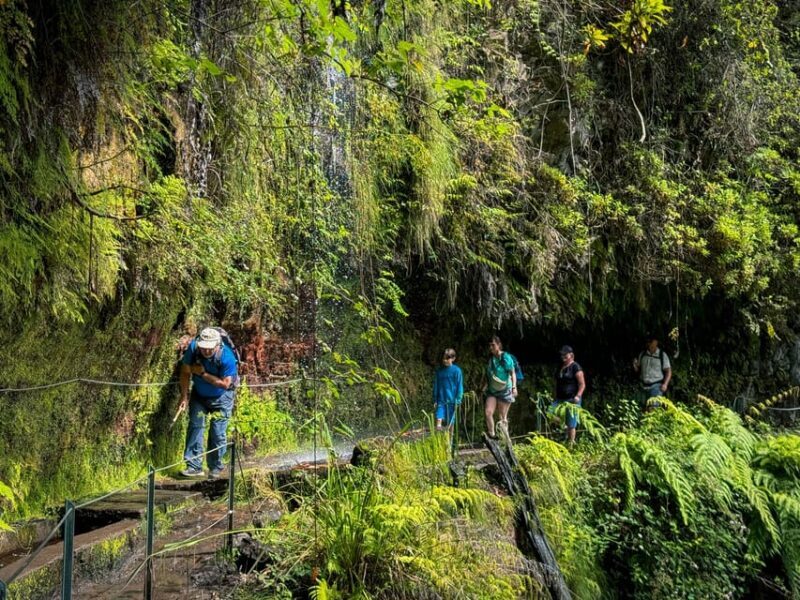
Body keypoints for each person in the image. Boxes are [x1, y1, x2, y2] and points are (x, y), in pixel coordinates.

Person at [179, 327, 238, 479]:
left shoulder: (227, 357)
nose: (205, 352)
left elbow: (225, 384)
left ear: (217, 345)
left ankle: (215, 467)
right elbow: (185, 371)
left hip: (222, 398)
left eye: (209, 348)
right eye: (203, 348)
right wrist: (184, 397)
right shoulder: (194, 348)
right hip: (199, 395)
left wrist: (202, 373)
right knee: (195, 426)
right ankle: (194, 466)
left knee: (218, 432)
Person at [483, 336, 517, 439]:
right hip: (492, 391)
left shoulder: (505, 357)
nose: (491, 347)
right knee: (488, 412)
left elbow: (512, 373)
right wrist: (484, 386)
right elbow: (489, 375)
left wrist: (514, 387)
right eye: (490, 345)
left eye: (493, 345)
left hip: (504, 390)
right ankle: (492, 436)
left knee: (502, 417)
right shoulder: (491, 359)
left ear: (498, 345)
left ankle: (505, 440)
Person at [549, 345, 585, 445]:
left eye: (565, 355)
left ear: (571, 355)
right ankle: (563, 426)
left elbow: (582, 384)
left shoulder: (575, 367)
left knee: (571, 424)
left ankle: (571, 444)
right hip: (560, 398)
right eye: (562, 355)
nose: (563, 356)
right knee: (549, 413)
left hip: (572, 399)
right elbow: (556, 382)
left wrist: (578, 396)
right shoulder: (560, 366)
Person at [633, 333, 671, 409]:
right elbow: (638, 369)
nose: (652, 347)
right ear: (648, 344)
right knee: (642, 409)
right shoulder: (643, 354)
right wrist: (635, 365)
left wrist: (665, 384)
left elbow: (668, 371)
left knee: (653, 409)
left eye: (654, 345)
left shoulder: (662, 355)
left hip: (656, 386)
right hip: (643, 386)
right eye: (651, 345)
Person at [433, 348, 464, 433]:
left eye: (447, 358)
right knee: (439, 418)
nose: (445, 360)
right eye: (444, 358)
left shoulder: (457, 371)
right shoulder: (439, 372)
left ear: (453, 358)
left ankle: (449, 442)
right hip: (441, 400)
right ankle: (439, 437)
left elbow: (459, 385)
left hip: (452, 401)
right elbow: (436, 385)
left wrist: (458, 399)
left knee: (451, 422)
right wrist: (435, 399)